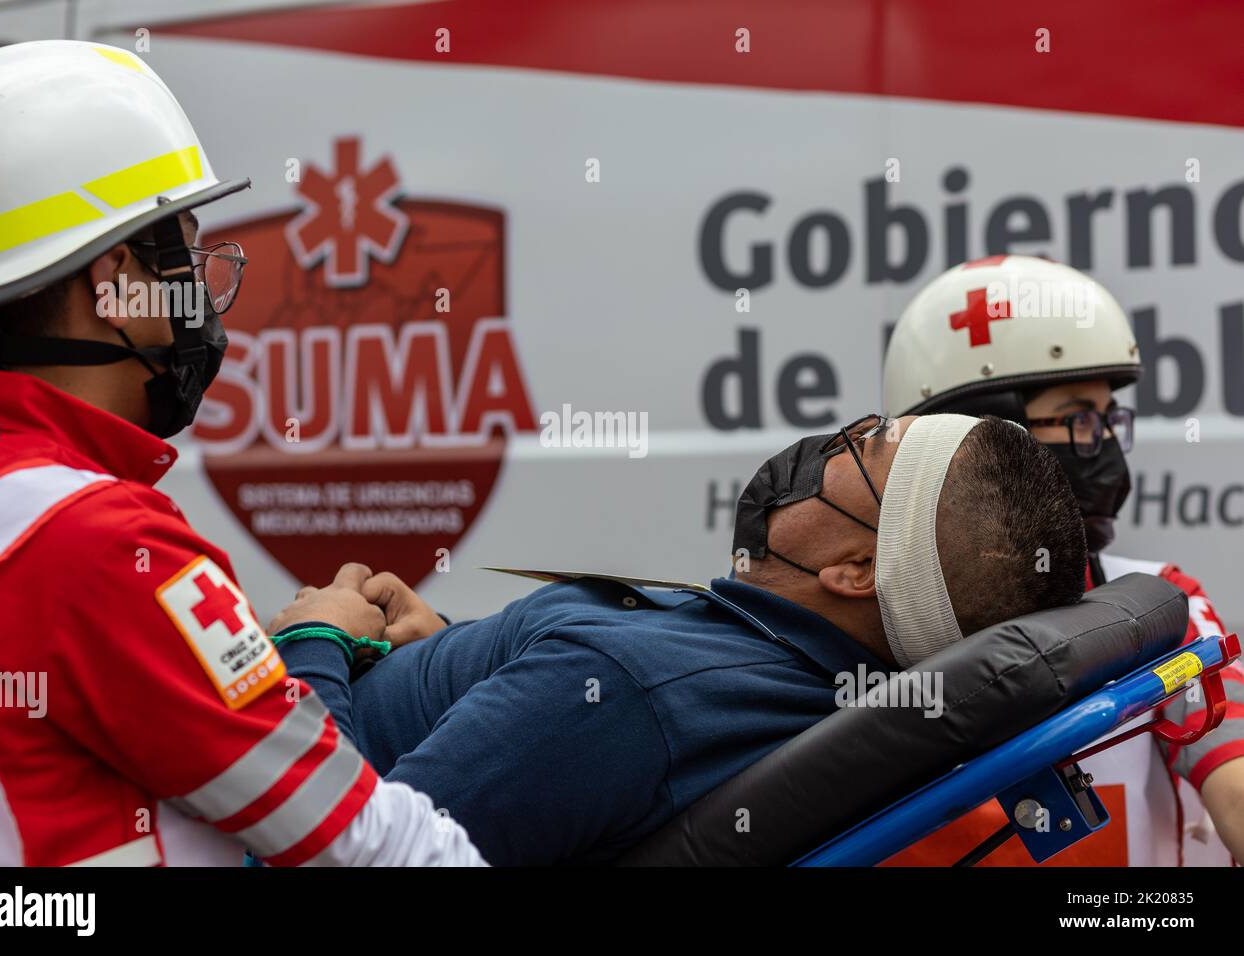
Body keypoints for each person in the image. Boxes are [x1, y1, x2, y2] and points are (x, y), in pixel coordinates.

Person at [0, 40, 483, 866]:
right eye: (184, 252)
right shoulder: (98, 542)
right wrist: (315, 654)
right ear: (115, 279)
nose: (202, 286)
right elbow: (368, 845)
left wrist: (248, 659)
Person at [280, 411, 1089, 865]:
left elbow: (343, 850)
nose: (838, 436)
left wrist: (311, 644)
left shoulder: (627, 695)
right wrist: (442, 653)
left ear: (853, 570)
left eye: (865, 448)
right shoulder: (783, 674)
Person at [881, 253, 1243, 866]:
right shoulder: (870, 630)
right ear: (981, 437)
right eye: (1077, 419)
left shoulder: (1157, 601)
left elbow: (1234, 779)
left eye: (1108, 421)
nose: (1104, 452)